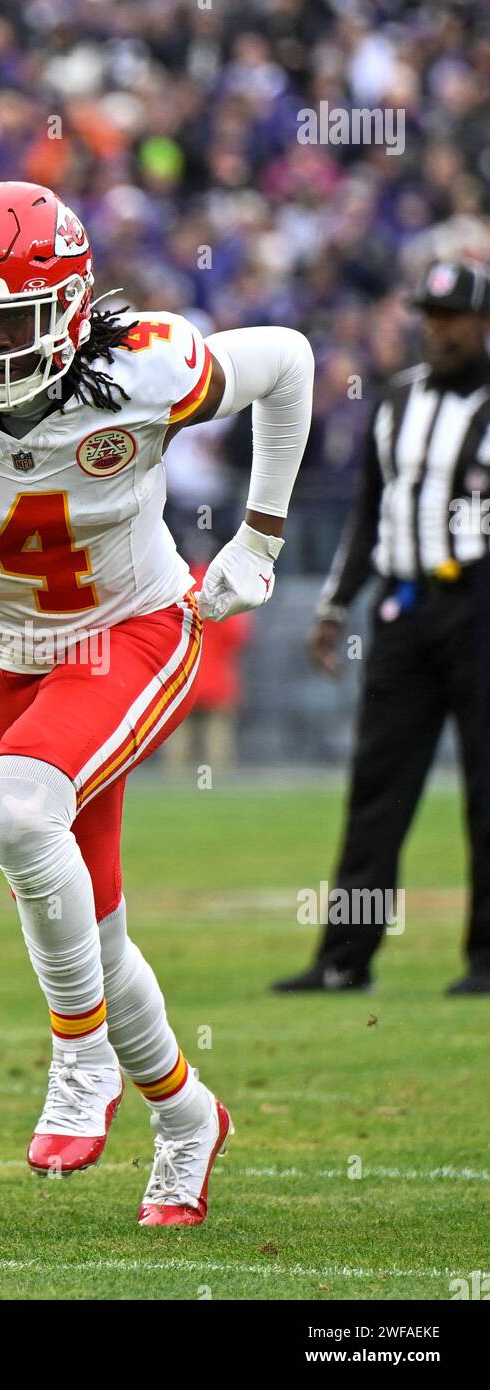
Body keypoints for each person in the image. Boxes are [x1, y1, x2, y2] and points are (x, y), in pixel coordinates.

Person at [0, 181, 313, 1226]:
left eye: (11, 317)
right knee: (92, 933)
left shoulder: (145, 365)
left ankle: (78, 1055)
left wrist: (260, 540)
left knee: (15, 810)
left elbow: (287, 361)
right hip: (11, 661)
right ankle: (188, 1117)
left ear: (68, 304)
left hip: (134, 630)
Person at [273, 261, 490, 997]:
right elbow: (368, 514)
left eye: (452, 316)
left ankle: (486, 960)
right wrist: (335, 606)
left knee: (486, 789)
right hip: (402, 608)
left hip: (478, 606)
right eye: (428, 315)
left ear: (482, 323)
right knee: (376, 786)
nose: (438, 329)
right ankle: (343, 959)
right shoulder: (395, 400)